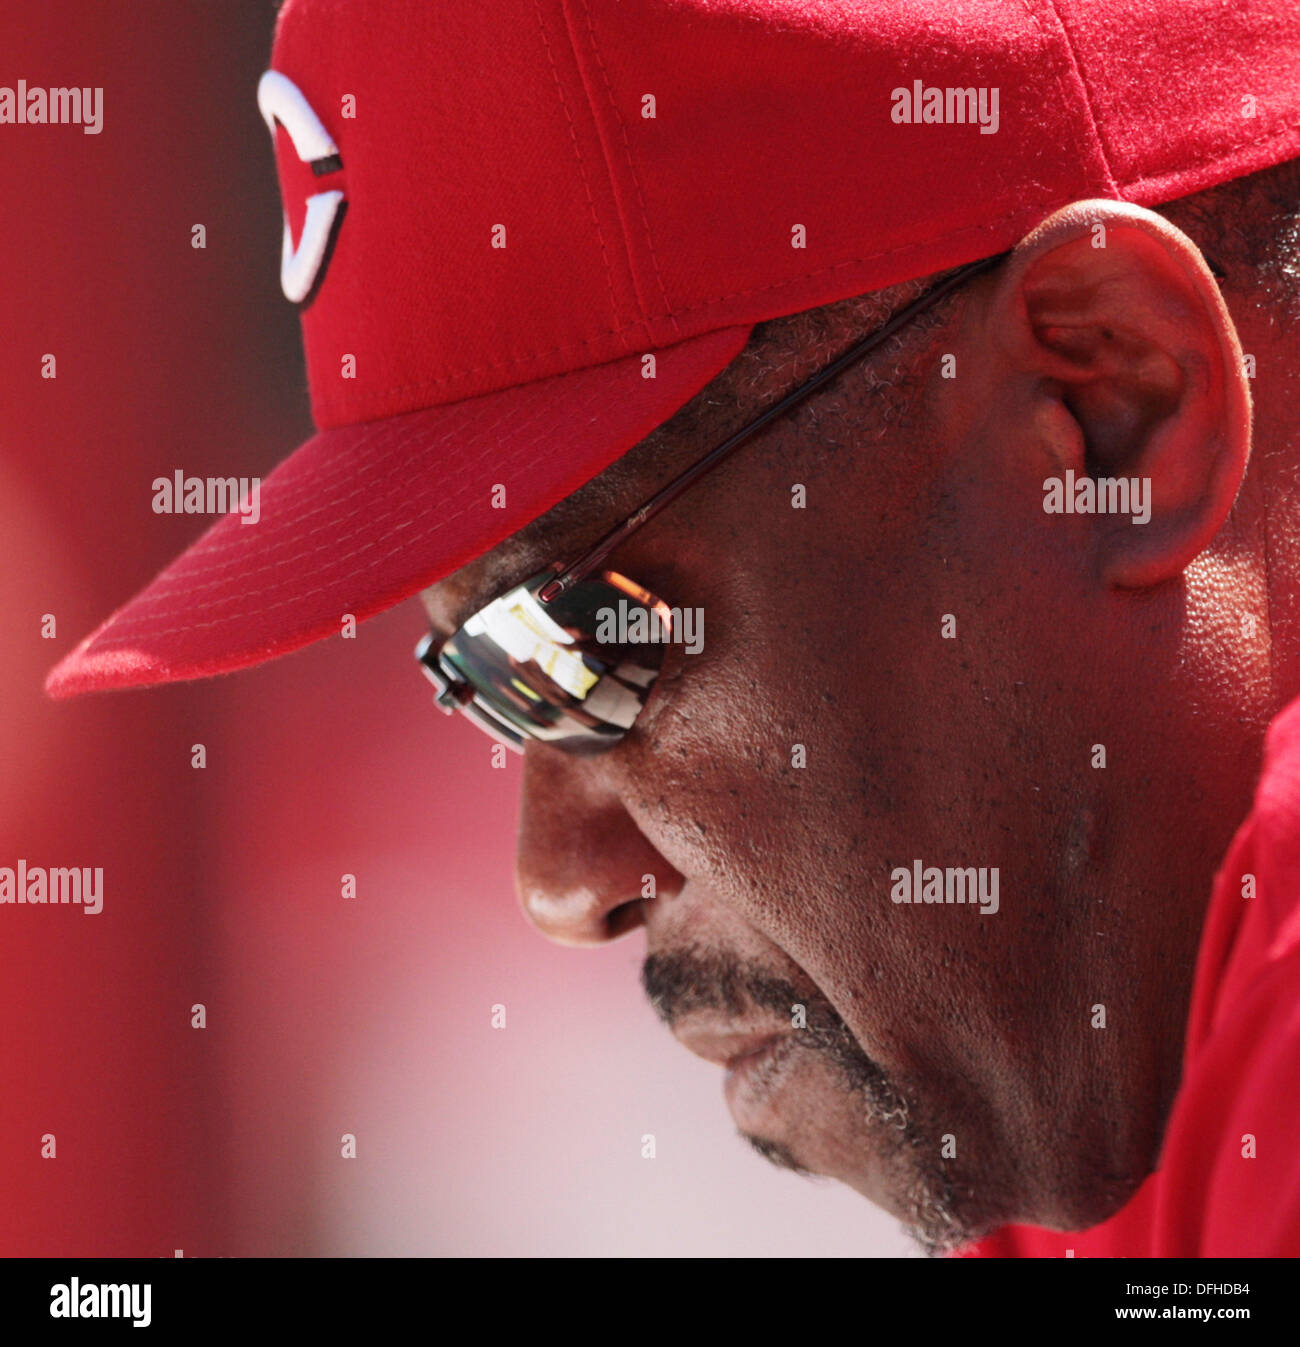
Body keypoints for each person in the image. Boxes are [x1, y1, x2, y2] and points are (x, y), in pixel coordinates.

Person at [47, 0, 1300, 1255]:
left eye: (573, 644)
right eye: (483, 681)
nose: (562, 886)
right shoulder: (1122, 1067)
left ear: (1107, 406)